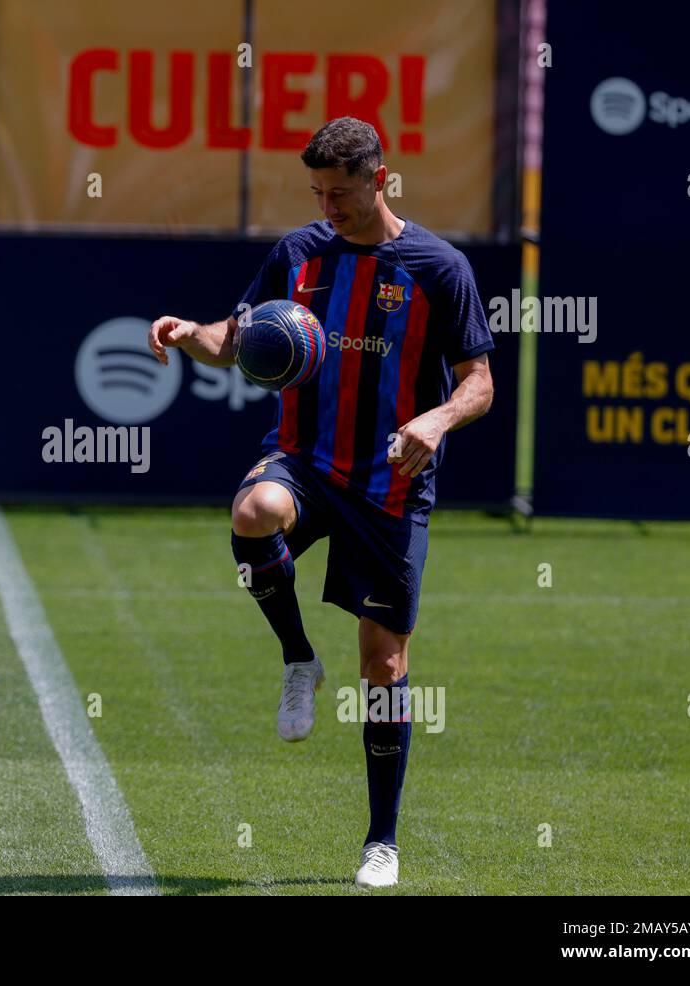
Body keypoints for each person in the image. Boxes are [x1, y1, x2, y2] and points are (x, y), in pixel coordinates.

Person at [146, 116, 495, 888]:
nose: (328, 207)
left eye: (341, 193)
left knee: (385, 663)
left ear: (380, 178)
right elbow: (235, 338)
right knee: (251, 513)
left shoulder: (439, 268)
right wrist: (187, 332)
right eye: (318, 193)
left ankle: (381, 842)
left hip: (391, 484)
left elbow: (480, 382)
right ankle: (299, 657)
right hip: (306, 460)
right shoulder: (300, 253)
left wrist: (435, 421)